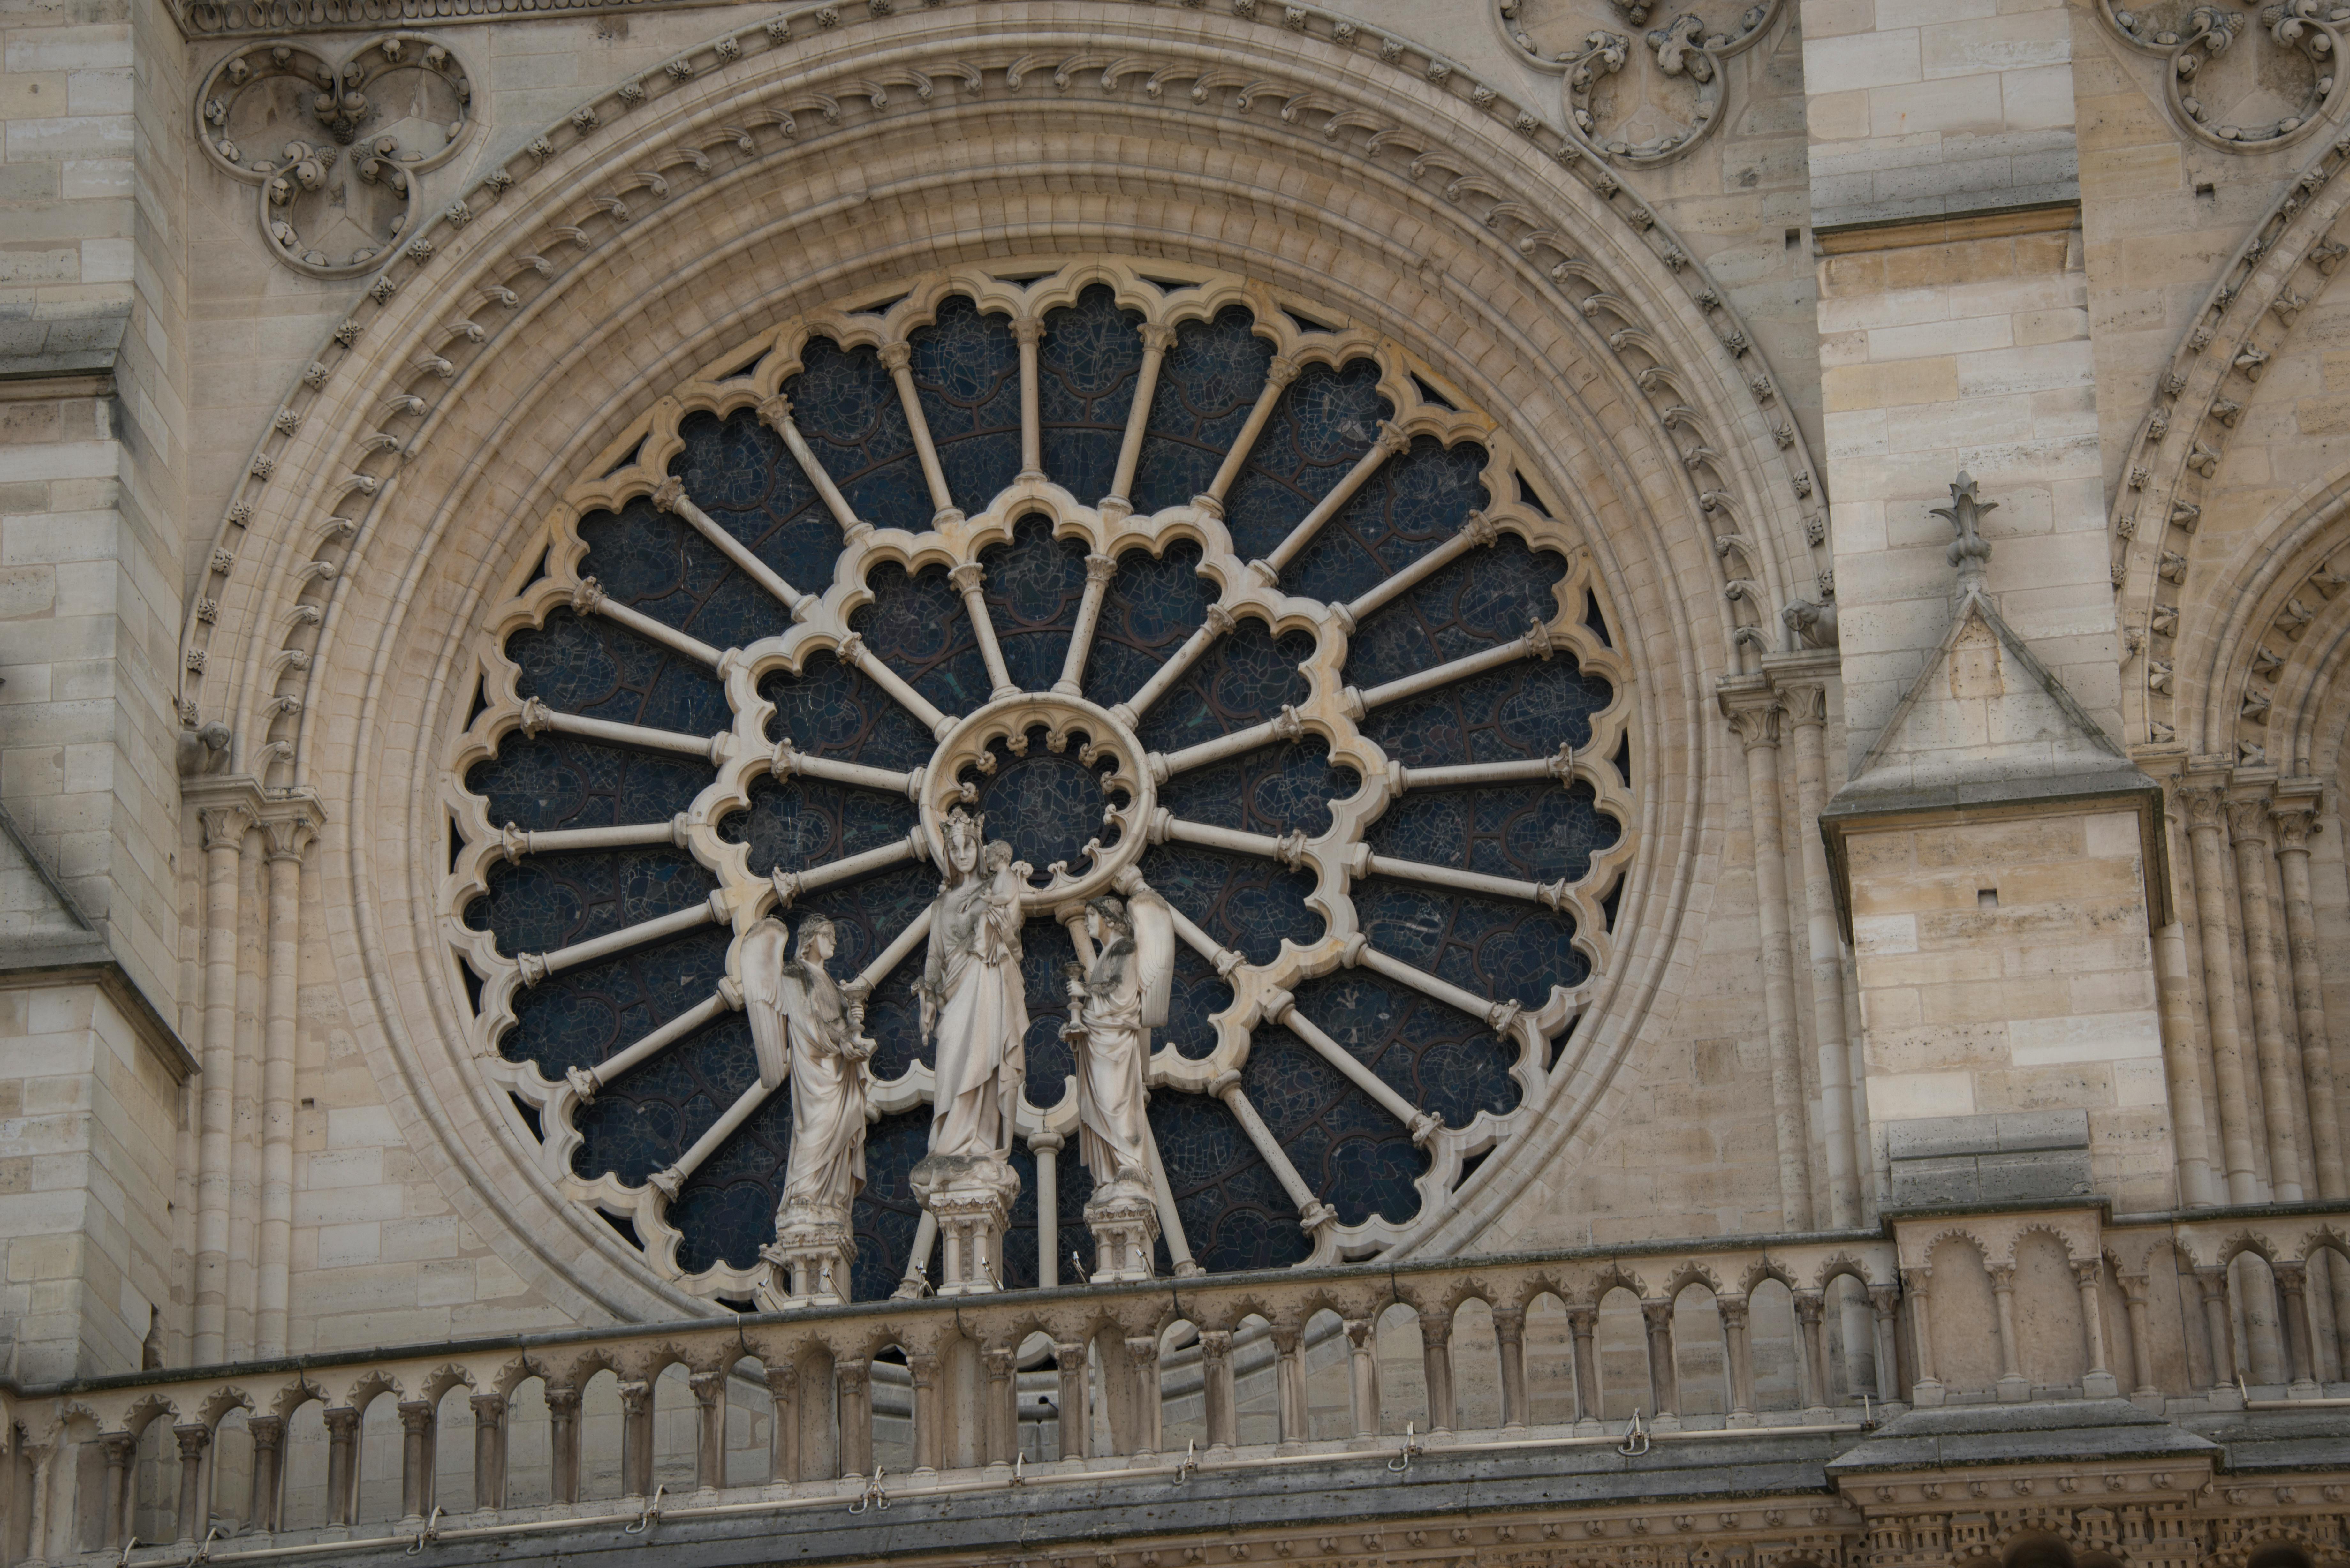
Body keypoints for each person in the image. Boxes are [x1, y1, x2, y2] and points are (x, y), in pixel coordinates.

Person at [740, 913, 872, 1225]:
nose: (834, 941)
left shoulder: (829, 981)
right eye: (828, 935)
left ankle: (832, 1197)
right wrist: (840, 1040)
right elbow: (805, 1021)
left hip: (840, 1070)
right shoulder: (793, 974)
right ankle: (806, 1192)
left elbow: (839, 1023)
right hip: (817, 1066)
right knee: (816, 1127)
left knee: (839, 1128)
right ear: (811, 939)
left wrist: (853, 1020)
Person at [918, 809, 1030, 1165]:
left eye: (968, 846)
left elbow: (1012, 937)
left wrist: (994, 923)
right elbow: (935, 957)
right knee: (952, 1055)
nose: (962, 854)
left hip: (985, 980)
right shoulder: (940, 905)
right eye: (954, 849)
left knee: (984, 1058)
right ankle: (951, 1140)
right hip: (954, 991)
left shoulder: (996, 885)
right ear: (948, 855)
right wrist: (930, 996)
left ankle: (978, 1141)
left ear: (979, 850)